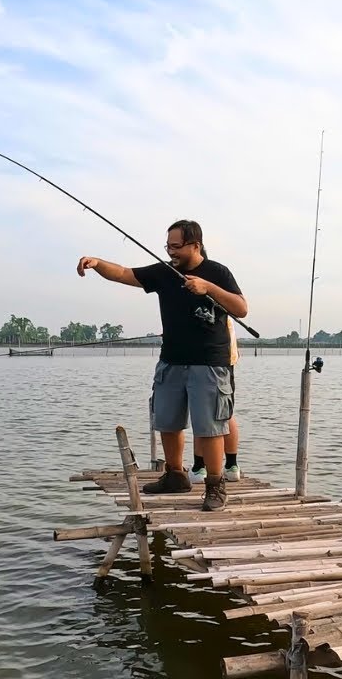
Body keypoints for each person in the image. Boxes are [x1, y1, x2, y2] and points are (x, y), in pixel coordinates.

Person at [77, 219, 247, 511]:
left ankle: (215, 485)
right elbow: (123, 274)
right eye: (167, 245)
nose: (171, 251)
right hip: (171, 360)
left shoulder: (217, 272)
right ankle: (175, 475)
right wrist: (96, 263)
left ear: (196, 244)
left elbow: (241, 308)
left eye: (176, 246)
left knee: (209, 428)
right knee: (167, 422)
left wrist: (208, 288)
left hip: (209, 363)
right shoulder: (164, 272)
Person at [191, 316, 241, 483]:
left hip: (210, 358)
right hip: (224, 356)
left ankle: (199, 468)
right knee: (223, 412)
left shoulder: (202, 292)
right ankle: (231, 466)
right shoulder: (223, 297)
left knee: (204, 412)